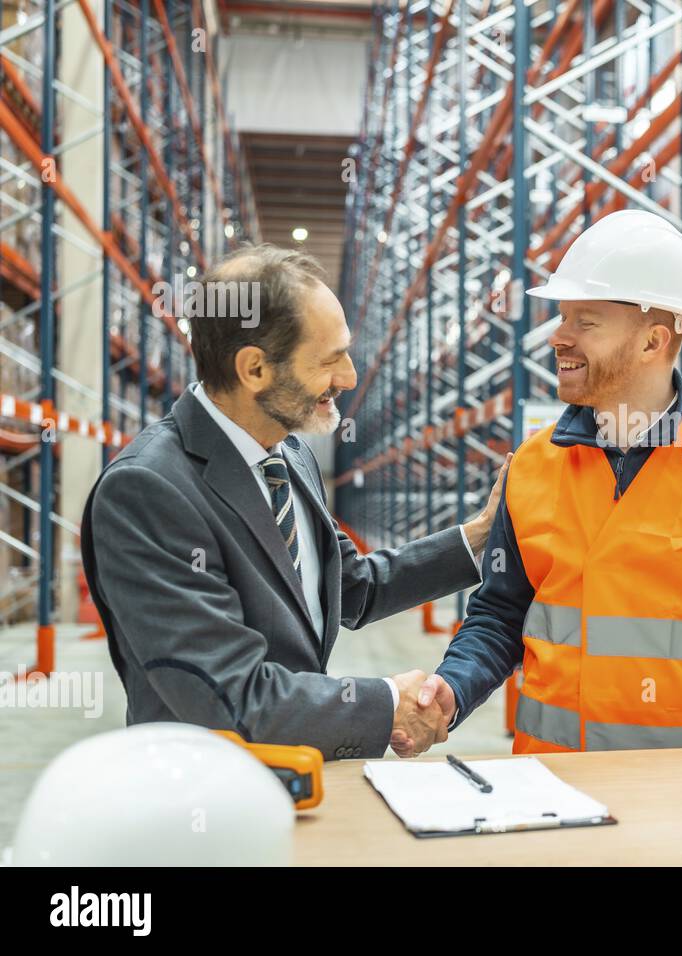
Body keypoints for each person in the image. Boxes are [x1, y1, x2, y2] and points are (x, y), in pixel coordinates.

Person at [401, 210, 682, 785]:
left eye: (587, 321)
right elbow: (500, 614)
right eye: (561, 317)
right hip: (550, 785)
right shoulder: (532, 464)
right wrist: (452, 688)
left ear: (654, 340)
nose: (558, 336)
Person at [81, 244, 500, 760]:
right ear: (255, 369)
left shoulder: (290, 455)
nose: (348, 377)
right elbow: (227, 695)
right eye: (330, 360)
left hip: (296, 771)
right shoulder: (148, 491)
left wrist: (481, 536)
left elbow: (354, 587)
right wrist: (387, 702)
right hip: (206, 796)